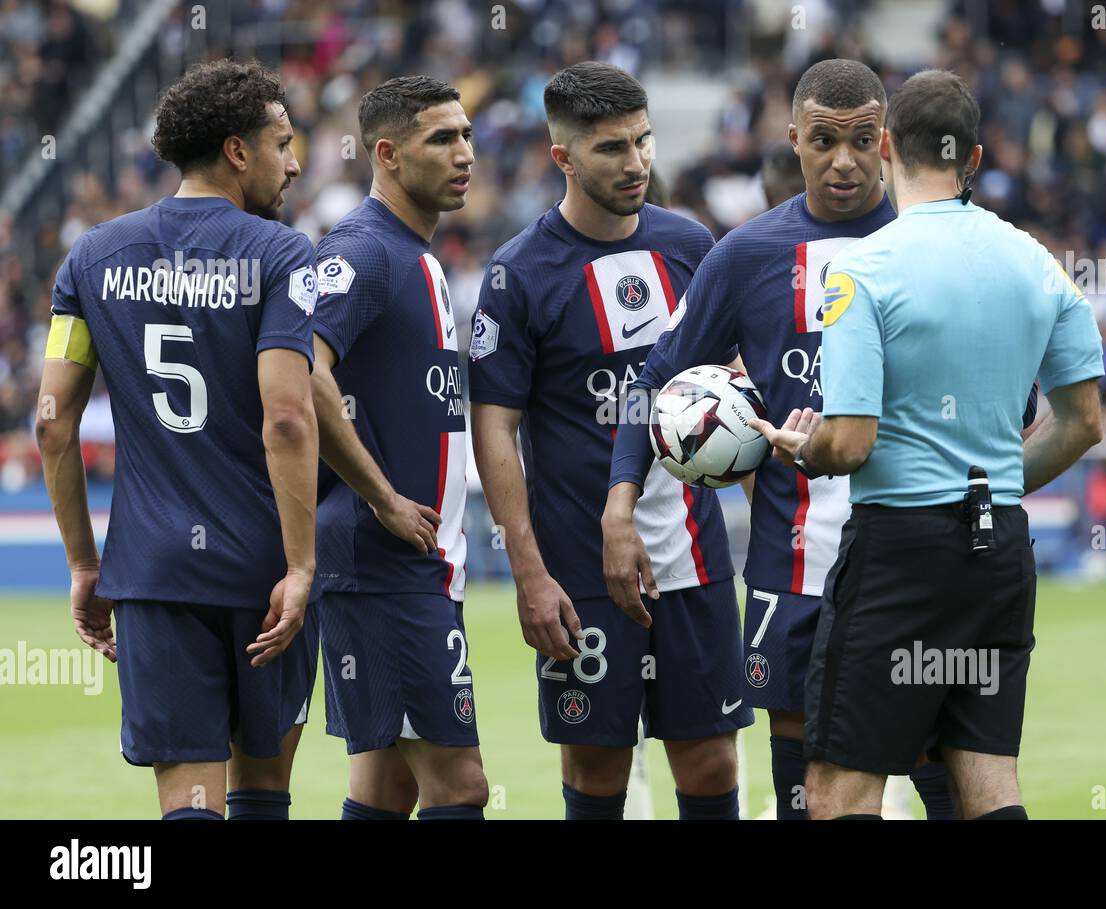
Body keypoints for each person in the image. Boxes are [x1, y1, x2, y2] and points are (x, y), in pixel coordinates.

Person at [605, 59, 1015, 820]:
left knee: (941, 767)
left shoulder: (936, 246)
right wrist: (619, 504)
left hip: (916, 557)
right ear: (793, 139)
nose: (845, 159)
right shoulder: (747, 255)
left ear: (887, 142)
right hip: (792, 569)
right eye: (824, 140)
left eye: (863, 139)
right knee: (808, 781)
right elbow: (652, 378)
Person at [751, 69, 1104, 820]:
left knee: (838, 788)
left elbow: (848, 443)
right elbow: (1083, 421)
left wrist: (800, 447)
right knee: (986, 781)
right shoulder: (1037, 262)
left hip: (900, 552)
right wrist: (997, 479)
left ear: (883, 146)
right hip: (1000, 547)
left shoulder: (863, 269)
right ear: (973, 157)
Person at [35, 59, 319, 820]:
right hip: (263, 568)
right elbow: (288, 417)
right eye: (282, 142)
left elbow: (52, 422)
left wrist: (83, 562)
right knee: (262, 788)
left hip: (154, 572)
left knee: (189, 800)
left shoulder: (91, 258)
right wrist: (300, 564)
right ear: (237, 151)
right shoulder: (285, 256)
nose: (294, 163)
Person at [470, 61, 752, 821]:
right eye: (611, 149)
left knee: (710, 756)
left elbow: (732, 386)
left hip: (692, 558)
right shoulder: (519, 273)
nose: (635, 163)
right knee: (597, 766)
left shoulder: (691, 245)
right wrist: (528, 572)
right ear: (562, 157)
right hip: (579, 569)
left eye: (643, 142)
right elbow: (494, 429)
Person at [310, 76, 489, 820]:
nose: (465, 154)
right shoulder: (365, 252)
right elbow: (300, 369)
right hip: (383, 567)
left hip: (411, 566)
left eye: (467, 135)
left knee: (388, 786)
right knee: (462, 784)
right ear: (386, 153)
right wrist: (382, 498)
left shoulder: (418, 255)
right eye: (442, 139)